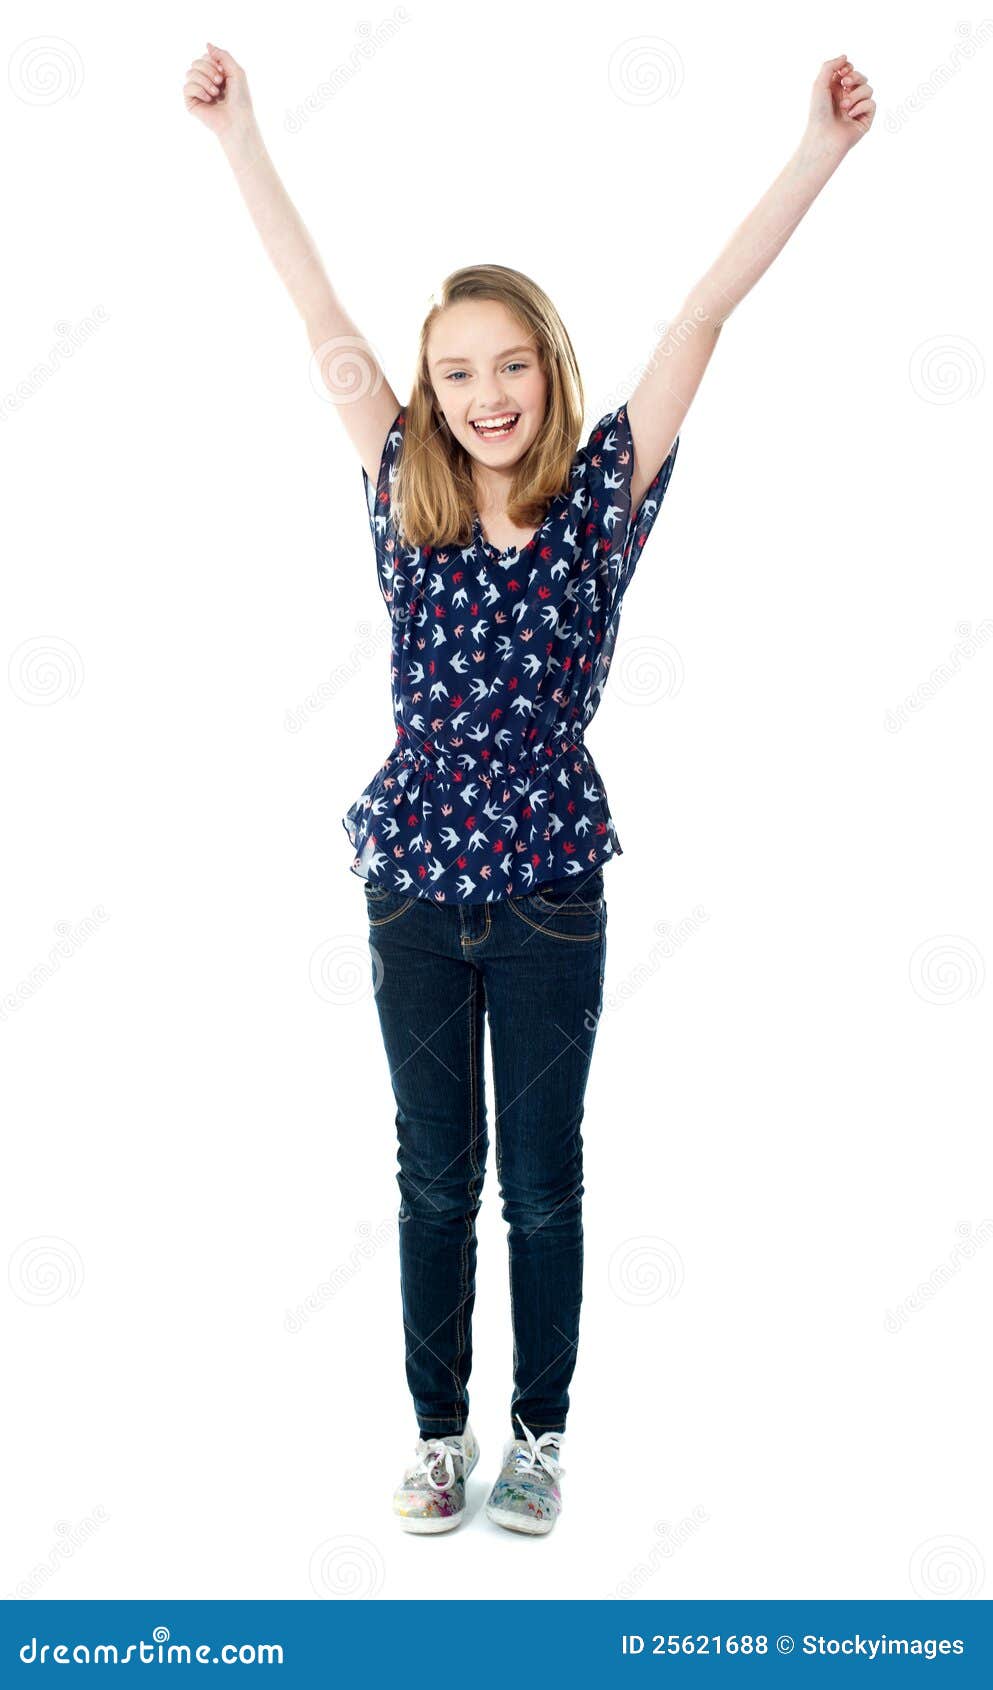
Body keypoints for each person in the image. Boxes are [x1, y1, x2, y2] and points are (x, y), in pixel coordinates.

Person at [184, 42, 875, 1535]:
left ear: (546, 371)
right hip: (415, 895)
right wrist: (239, 133)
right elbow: (318, 314)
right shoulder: (399, 487)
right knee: (435, 1179)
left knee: (540, 1188)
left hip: (553, 893)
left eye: (509, 365)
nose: (483, 393)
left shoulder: (601, 496)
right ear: (425, 389)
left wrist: (812, 154)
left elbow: (698, 311)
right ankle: (438, 1435)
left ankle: (537, 1435)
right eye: (454, 371)